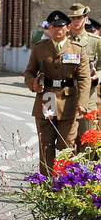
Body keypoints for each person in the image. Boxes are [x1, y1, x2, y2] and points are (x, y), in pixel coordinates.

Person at [25, 10, 91, 175]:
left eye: (60, 26)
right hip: (45, 101)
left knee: (66, 146)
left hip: (68, 104)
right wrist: (33, 84)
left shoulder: (77, 49)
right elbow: (28, 72)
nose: (56, 29)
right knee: (45, 147)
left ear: (68, 27)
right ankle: (46, 186)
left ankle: (63, 185)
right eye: (53, 26)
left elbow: (84, 79)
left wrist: (82, 104)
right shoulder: (40, 48)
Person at [67, 4, 100, 119]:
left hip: (88, 96)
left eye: (79, 18)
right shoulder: (63, 41)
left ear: (86, 19)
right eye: (73, 18)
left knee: (87, 134)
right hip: (66, 96)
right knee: (67, 136)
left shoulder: (95, 42)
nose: (76, 21)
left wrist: (97, 76)